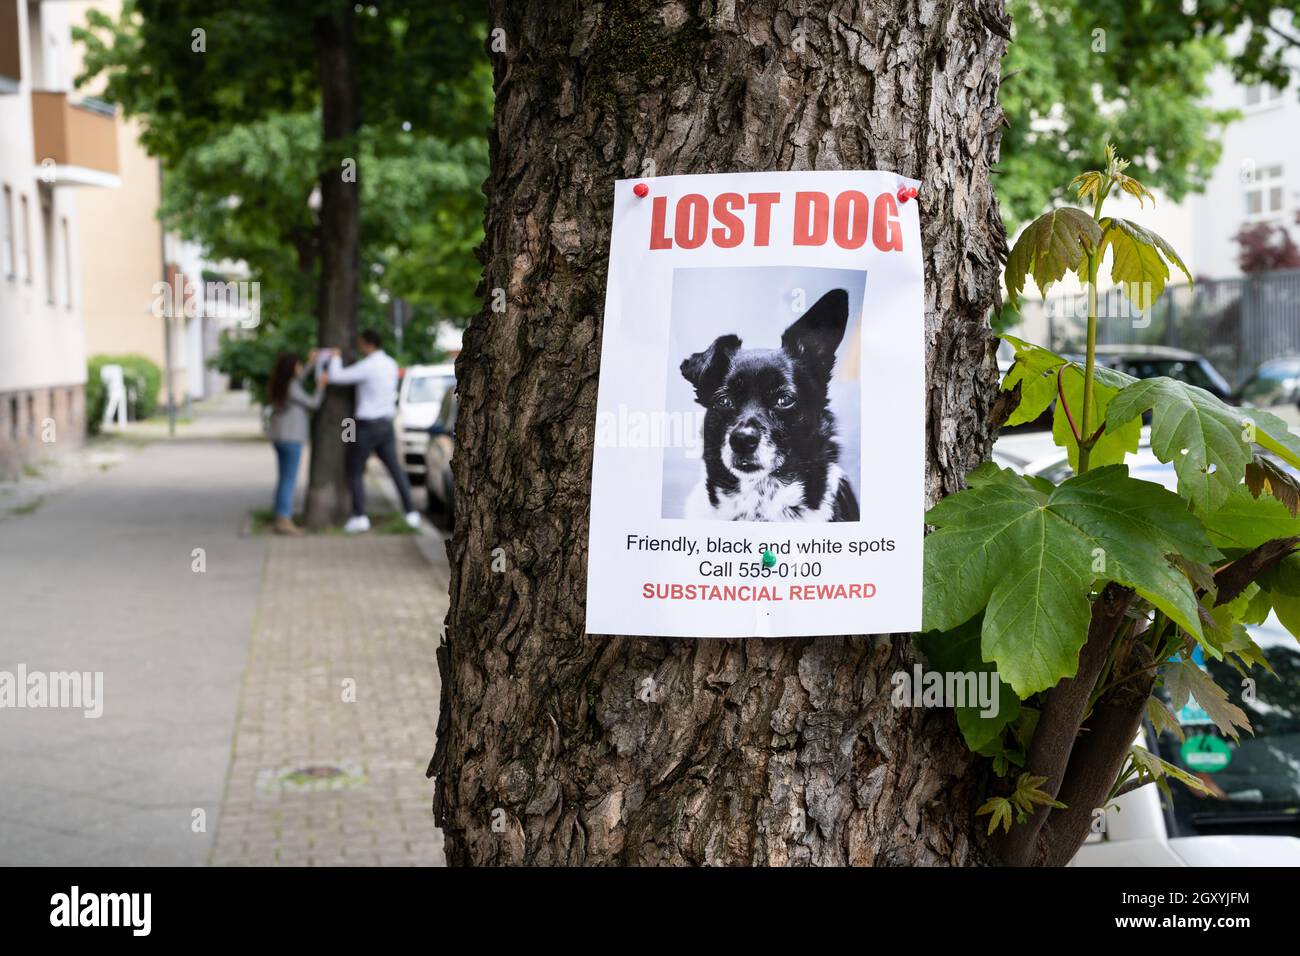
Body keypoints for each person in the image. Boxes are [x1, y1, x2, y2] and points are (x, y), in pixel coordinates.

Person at [324, 330, 421, 533]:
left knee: (355, 469)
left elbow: (336, 376)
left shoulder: (368, 366)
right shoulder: (391, 364)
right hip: (386, 424)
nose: (359, 347)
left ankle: (359, 516)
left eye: (360, 343)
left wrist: (334, 358)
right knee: (395, 469)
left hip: (365, 426)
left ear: (368, 344)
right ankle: (411, 512)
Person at [266, 350, 328, 535]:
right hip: (291, 438)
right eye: (299, 365)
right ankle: (284, 520)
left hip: (279, 438)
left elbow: (299, 379)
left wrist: (311, 363)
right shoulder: (292, 387)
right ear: (293, 368)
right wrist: (321, 386)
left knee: (283, 478)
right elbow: (313, 403)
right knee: (288, 480)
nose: (301, 368)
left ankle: (280, 516)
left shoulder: (283, 384)